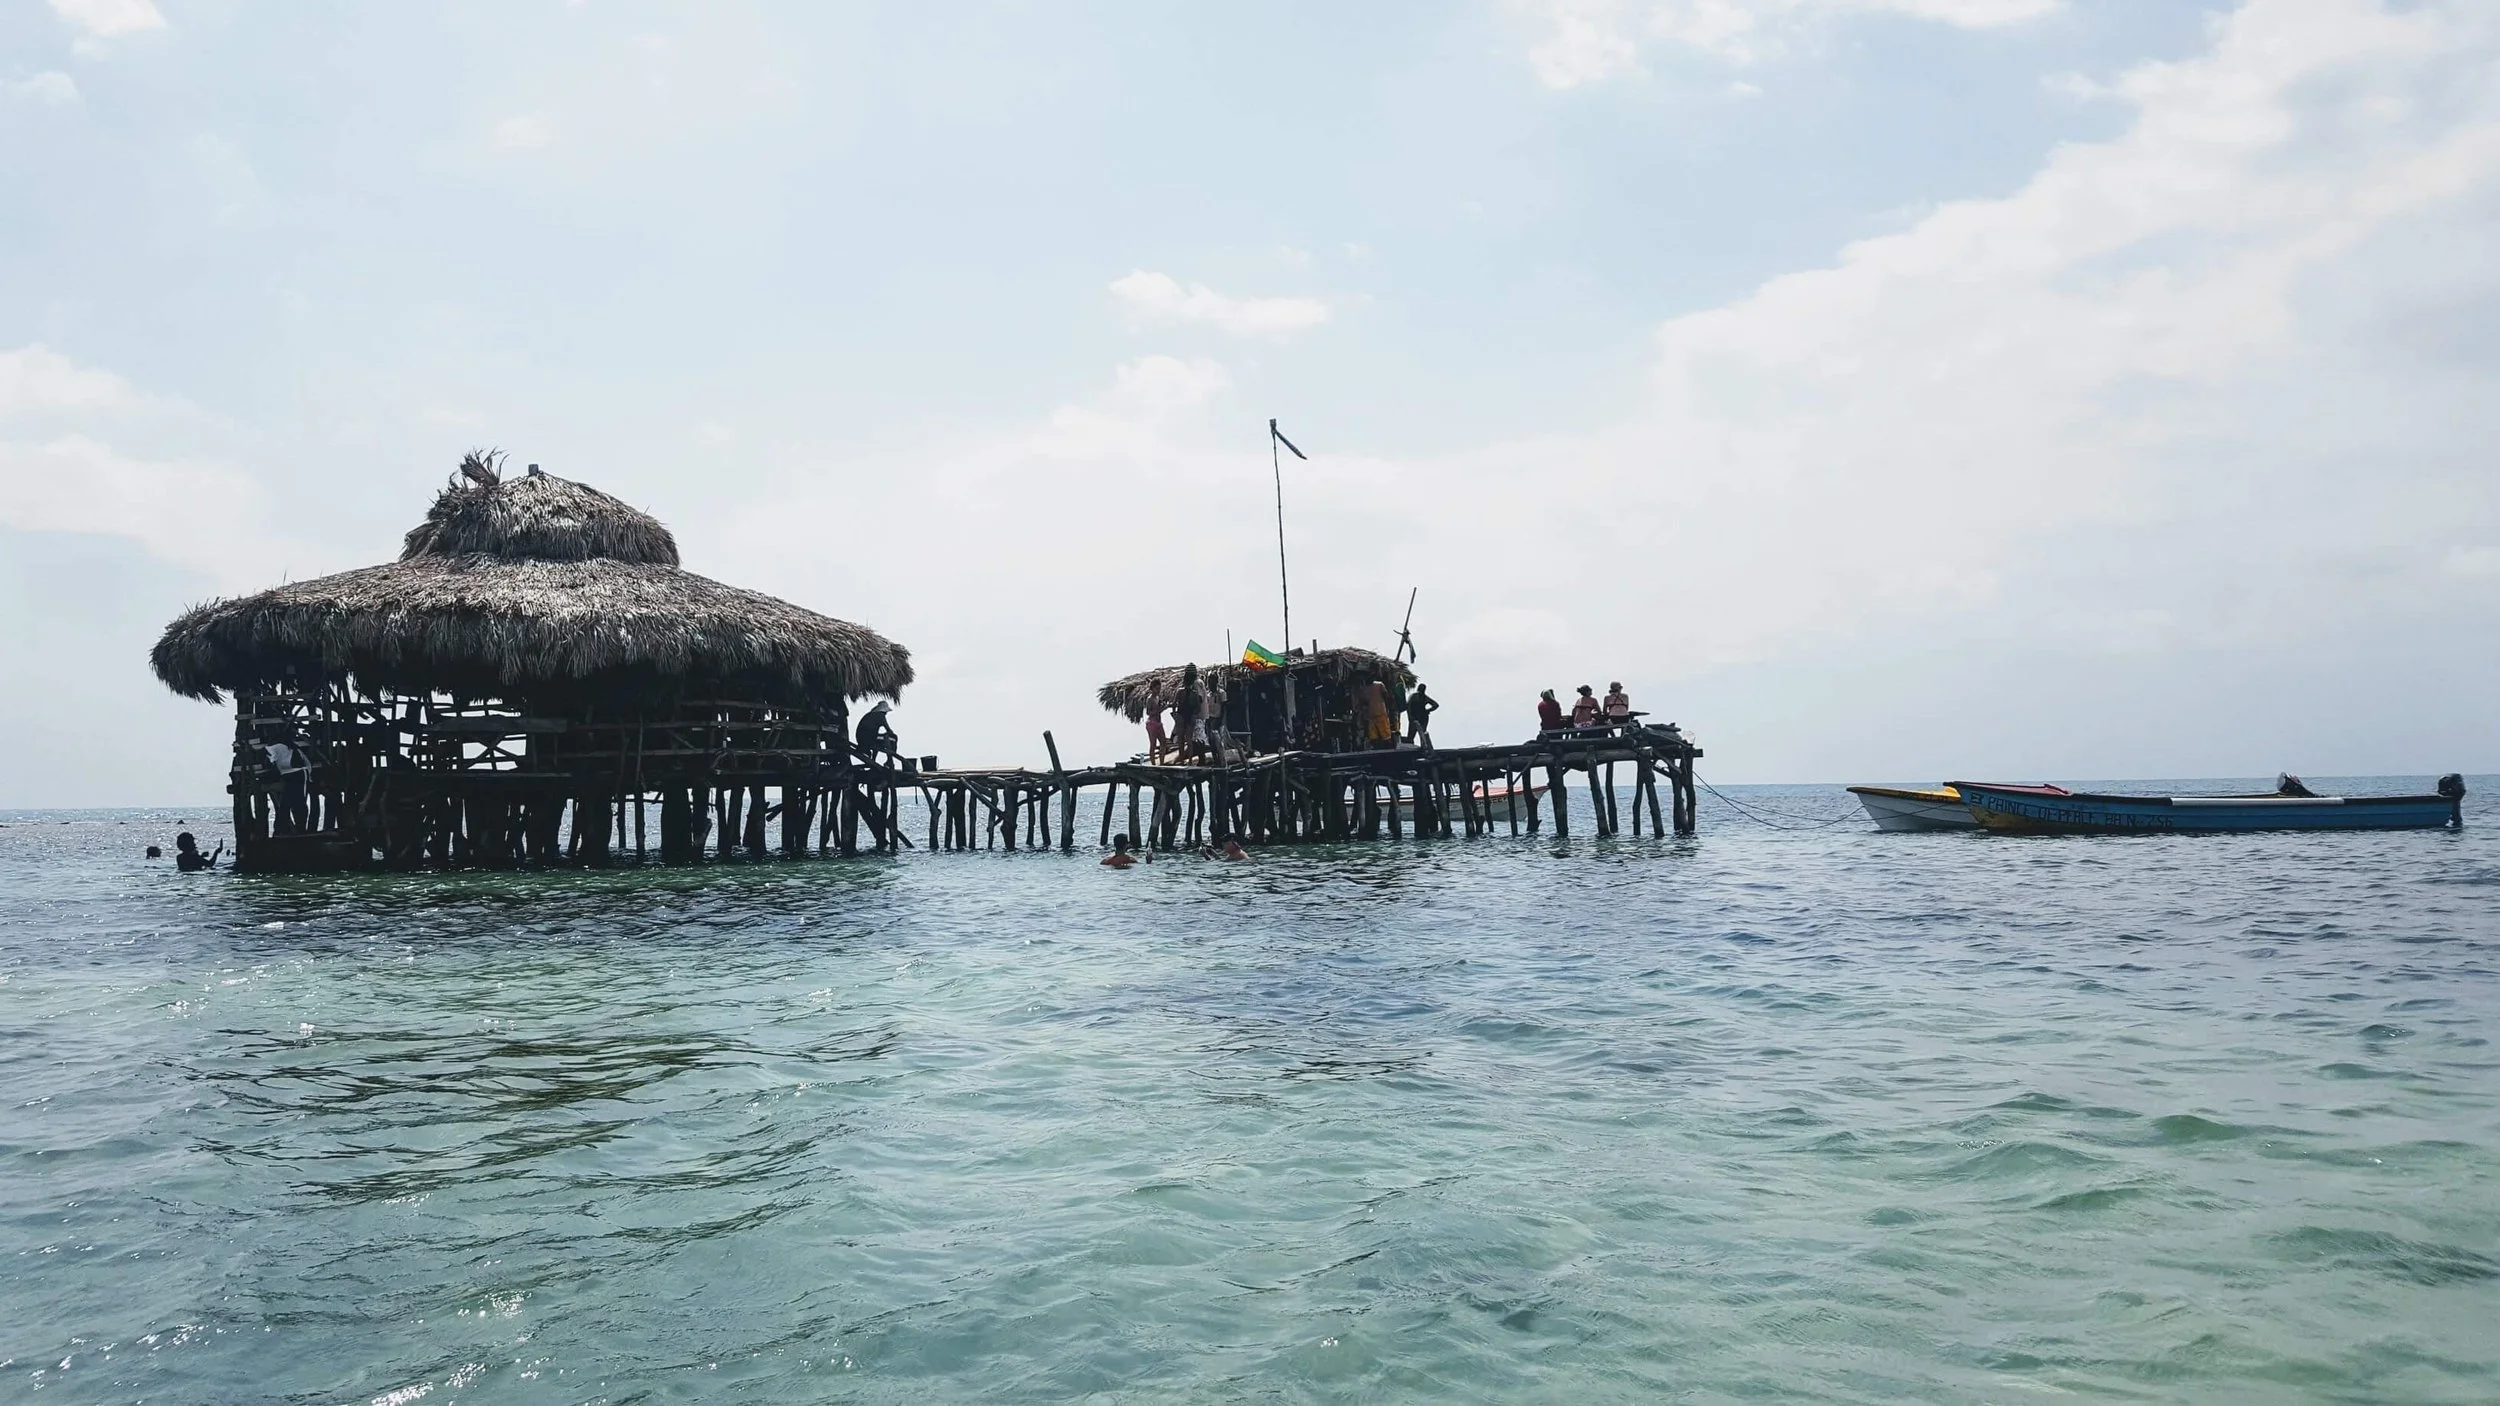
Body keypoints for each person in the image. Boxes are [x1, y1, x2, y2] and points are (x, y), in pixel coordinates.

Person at [1357, 678, 1395, 748]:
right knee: (1385, 735)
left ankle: (1378, 746)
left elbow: (1363, 703)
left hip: (1371, 715)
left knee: (1374, 736)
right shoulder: (1379, 685)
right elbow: (1386, 696)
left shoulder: (1364, 690)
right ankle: (1386, 746)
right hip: (1380, 712)